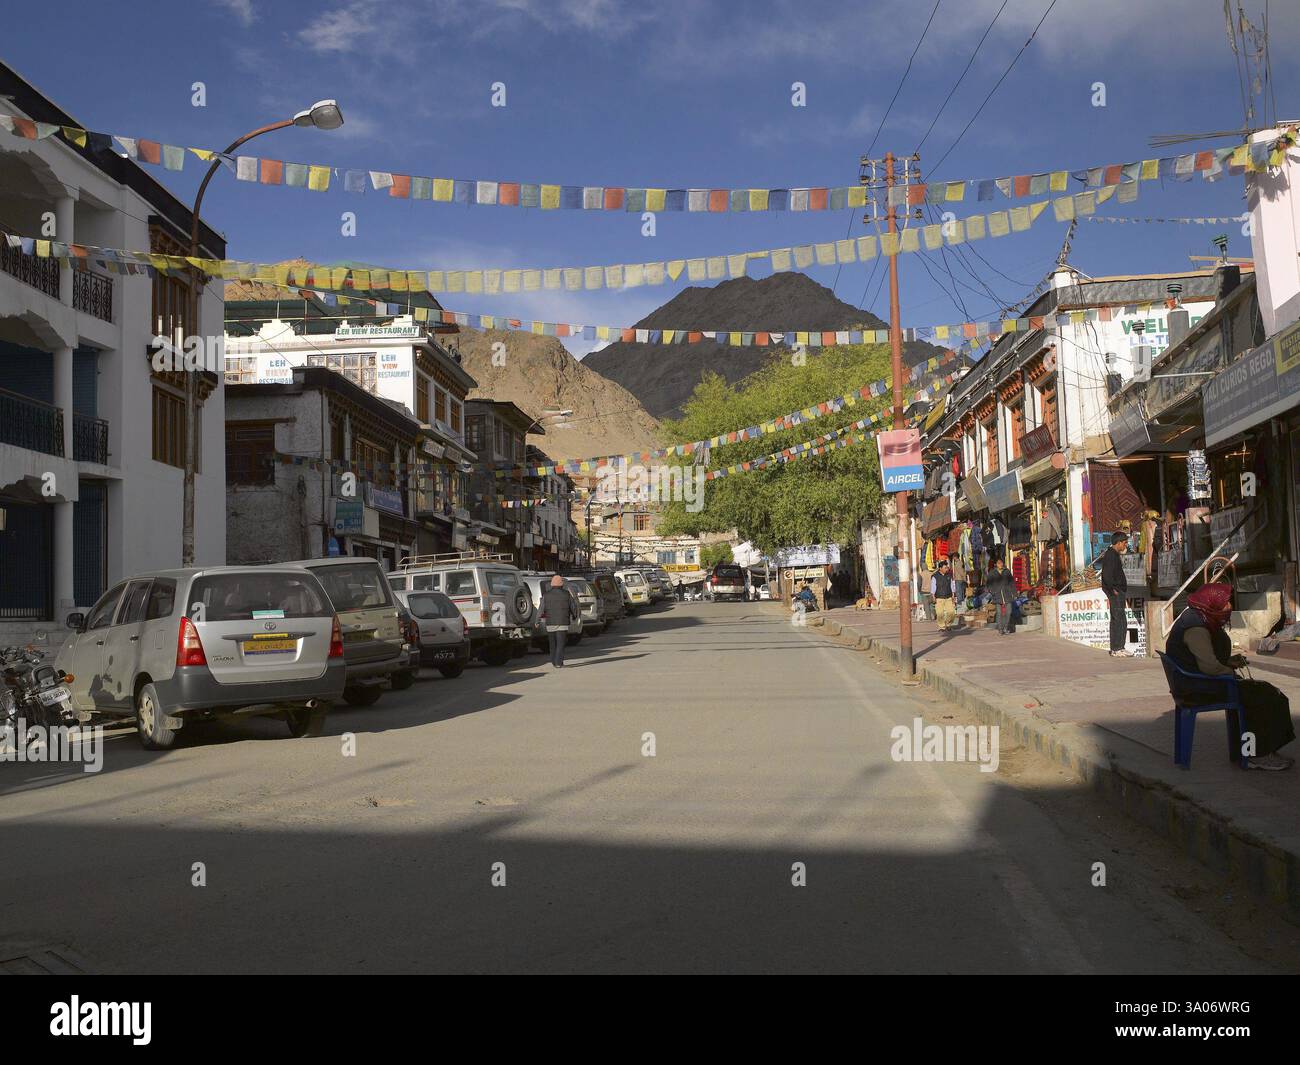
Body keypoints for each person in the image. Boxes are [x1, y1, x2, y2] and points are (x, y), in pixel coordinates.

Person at [1166, 582, 1296, 771]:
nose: (1229, 607)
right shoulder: (1195, 627)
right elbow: (1209, 667)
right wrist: (1229, 672)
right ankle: (1255, 754)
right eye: (1225, 603)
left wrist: (1228, 663)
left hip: (1196, 682)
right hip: (1198, 687)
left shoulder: (1197, 615)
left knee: (1264, 692)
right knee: (1263, 696)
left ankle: (1253, 751)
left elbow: (1204, 660)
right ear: (1211, 602)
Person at [1101, 531, 1131, 658]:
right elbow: (1107, 575)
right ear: (1118, 543)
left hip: (1118, 591)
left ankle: (1120, 647)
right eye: (1124, 543)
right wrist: (1113, 589)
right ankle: (1116, 648)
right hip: (1115, 592)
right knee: (1118, 619)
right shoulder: (1110, 555)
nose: (1125, 546)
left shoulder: (1114, 554)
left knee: (1121, 619)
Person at [540, 574, 574, 669]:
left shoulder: (546, 595)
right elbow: (573, 606)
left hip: (550, 623)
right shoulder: (566, 594)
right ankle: (559, 662)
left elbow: (541, 608)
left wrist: (537, 620)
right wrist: (575, 616)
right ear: (561, 584)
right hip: (563, 622)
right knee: (560, 644)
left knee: (552, 644)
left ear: (551, 584)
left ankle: (554, 662)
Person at [986, 556, 1016, 636]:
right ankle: (1000, 629)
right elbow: (988, 583)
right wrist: (992, 591)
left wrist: (1015, 593)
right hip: (997, 595)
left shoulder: (1007, 572)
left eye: (1001, 563)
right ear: (996, 564)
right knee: (999, 613)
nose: (1000, 564)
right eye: (998, 563)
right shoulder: (992, 573)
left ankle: (1006, 627)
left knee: (1008, 612)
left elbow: (1012, 583)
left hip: (1007, 594)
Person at [931, 559, 957, 631]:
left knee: (951, 612)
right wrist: (933, 596)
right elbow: (933, 587)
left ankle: (948, 624)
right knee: (939, 613)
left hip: (948, 597)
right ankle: (941, 626)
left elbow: (952, 586)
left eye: (947, 567)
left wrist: (953, 595)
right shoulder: (935, 577)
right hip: (939, 598)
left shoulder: (949, 576)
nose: (946, 569)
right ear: (940, 568)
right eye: (945, 568)